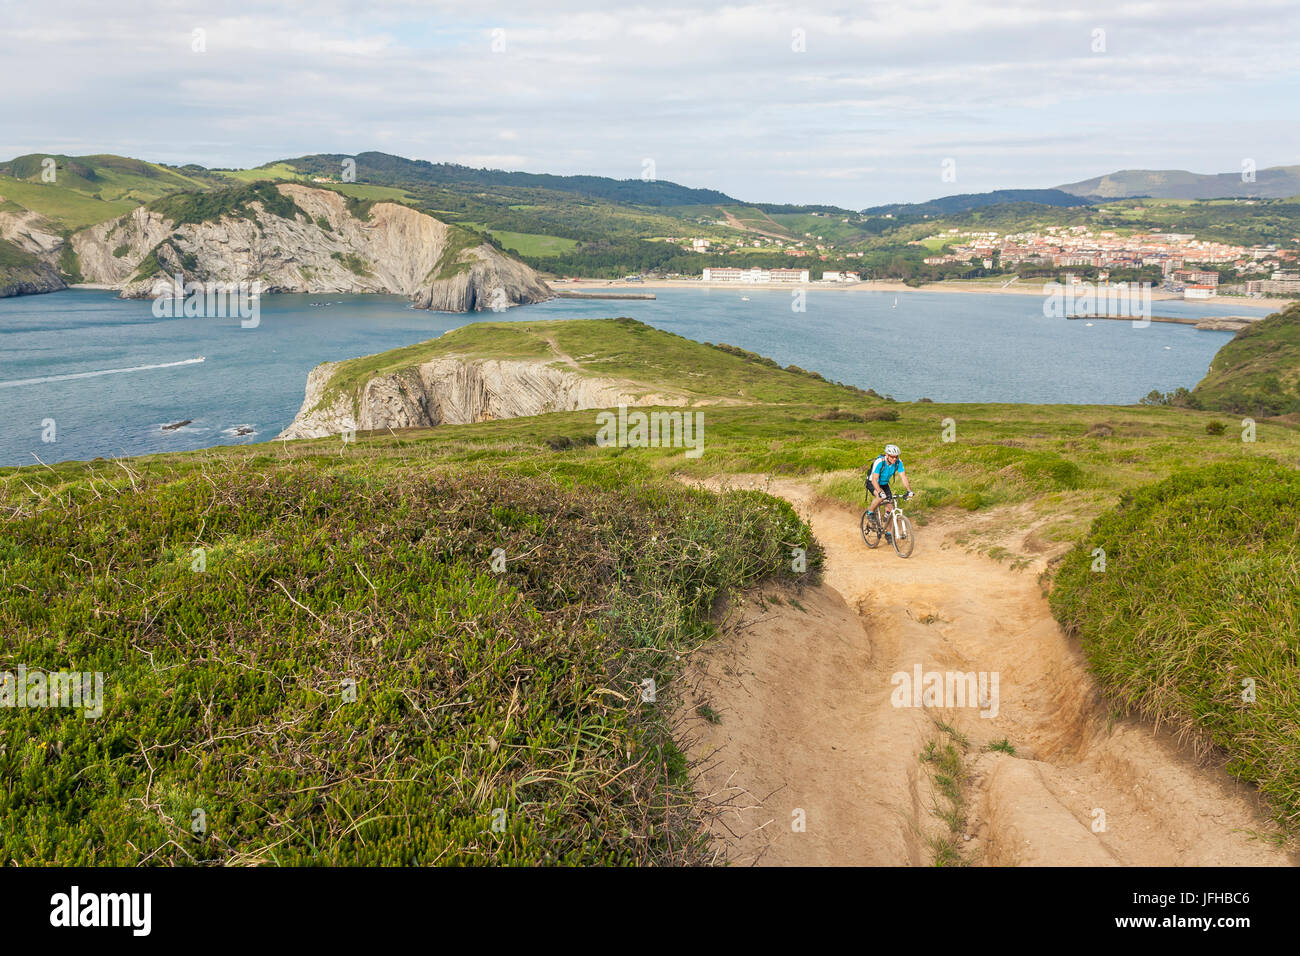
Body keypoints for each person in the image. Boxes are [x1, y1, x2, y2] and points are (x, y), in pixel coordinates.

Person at [866, 443, 913, 531]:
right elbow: (874, 479)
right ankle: (870, 512)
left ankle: (888, 533)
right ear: (887, 455)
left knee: (890, 509)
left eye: (896, 456)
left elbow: (903, 477)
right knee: (880, 497)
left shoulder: (898, 462)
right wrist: (880, 492)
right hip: (872, 482)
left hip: (884, 484)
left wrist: (909, 490)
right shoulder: (880, 462)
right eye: (892, 456)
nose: (894, 459)